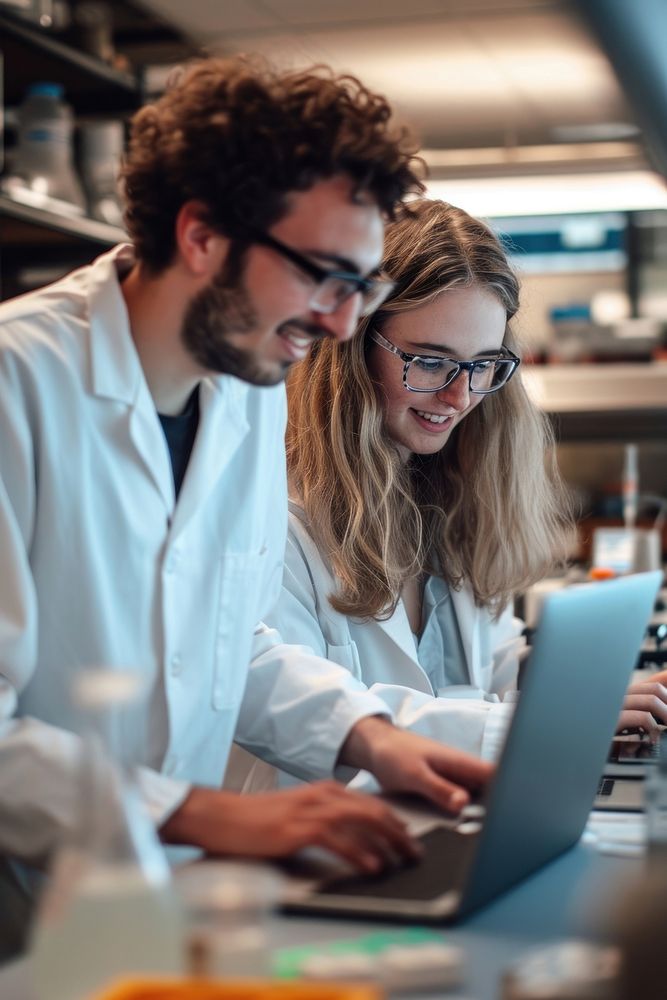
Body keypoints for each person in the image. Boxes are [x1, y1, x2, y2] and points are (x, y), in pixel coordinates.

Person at [0, 60, 494, 956]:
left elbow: (235, 642)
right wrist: (199, 812)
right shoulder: (17, 384)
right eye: (324, 277)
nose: (341, 324)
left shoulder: (246, 383)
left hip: (161, 904)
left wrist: (368, 736)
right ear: (200, 236)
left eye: (361, 289)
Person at [229, 198, 667, 793]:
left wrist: (580, 701)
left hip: (443, 819)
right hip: (321, 833)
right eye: (430, 362)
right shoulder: (271, 518)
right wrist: (523, 729)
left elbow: (483, 669)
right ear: (351, 349)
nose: (460, 398)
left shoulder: (449, 493)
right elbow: (301, 717)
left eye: (484, 365)